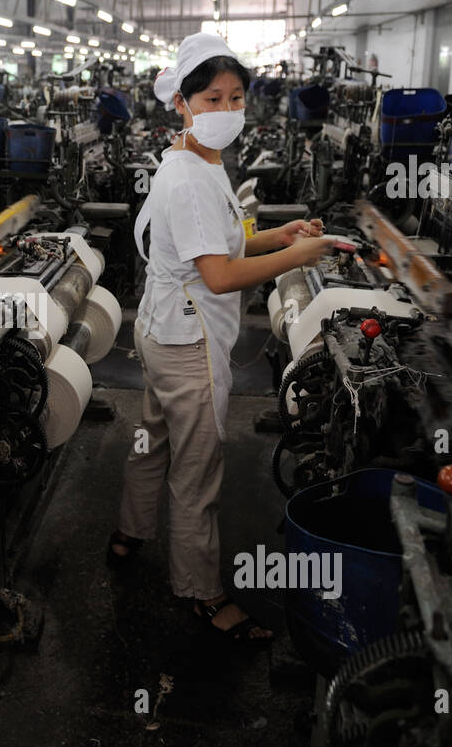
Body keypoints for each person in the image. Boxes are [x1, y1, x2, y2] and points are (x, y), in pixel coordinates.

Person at [109, 32, 337, 644]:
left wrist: (280, 237)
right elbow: (220, 274)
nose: (227, 110)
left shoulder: (196, 160)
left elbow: (223, 244)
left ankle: (129, 534)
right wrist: (304, 256)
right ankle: (202, 593)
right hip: (189, 347)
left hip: (160, 333)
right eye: (212, 98)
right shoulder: (188, 177)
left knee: (152, 437)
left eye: (236, 97)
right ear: (183, 103)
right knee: (198, 470)